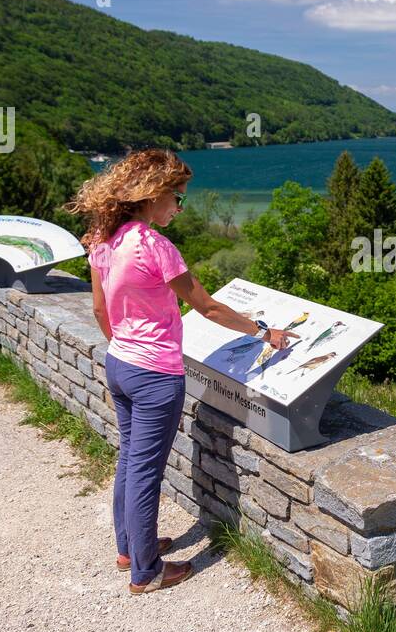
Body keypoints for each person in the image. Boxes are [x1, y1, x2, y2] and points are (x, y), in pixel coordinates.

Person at [64, 150, 298, 595]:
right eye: (177, 196)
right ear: (152, 195)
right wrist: (264, 332)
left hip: (120, 363)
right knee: (146, 469)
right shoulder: (154, 246)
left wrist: (123, 346)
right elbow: (207, 307)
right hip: (154, 375)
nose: (179, 206)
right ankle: (147, 572)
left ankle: (130, 548)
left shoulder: (104, 241)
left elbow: (99, 308)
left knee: (130, 458)